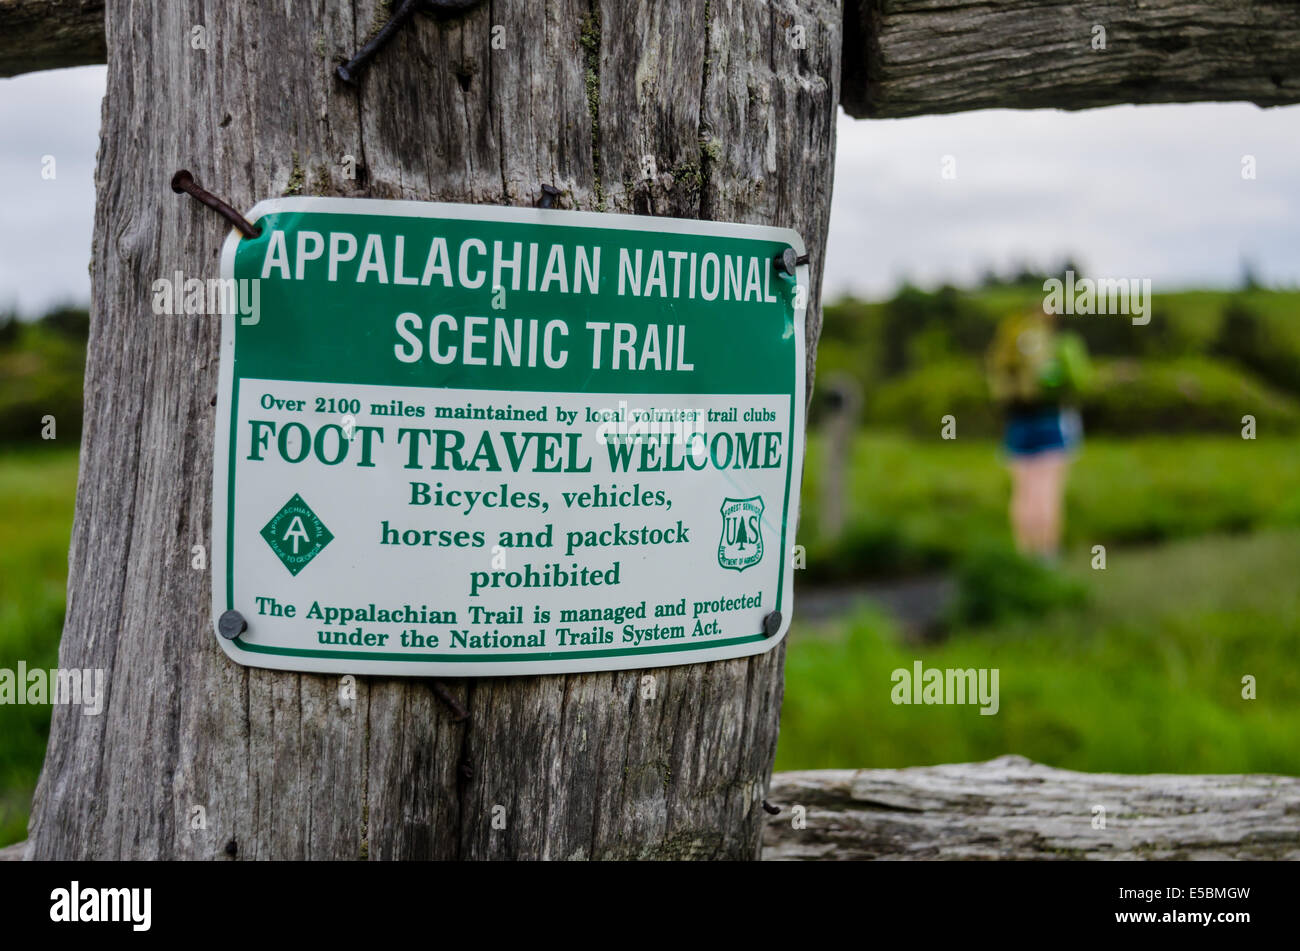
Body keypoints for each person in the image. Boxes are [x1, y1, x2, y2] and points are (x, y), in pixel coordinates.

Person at [986, 309, 1090, 559]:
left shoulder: (1011, 341)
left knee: (1022, 493)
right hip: (1049, 420)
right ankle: (1046, 556)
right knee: (1048, 492)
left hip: (1017, 424)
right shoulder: (1057, 344)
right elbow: (1082, 381)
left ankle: (1024, 554)